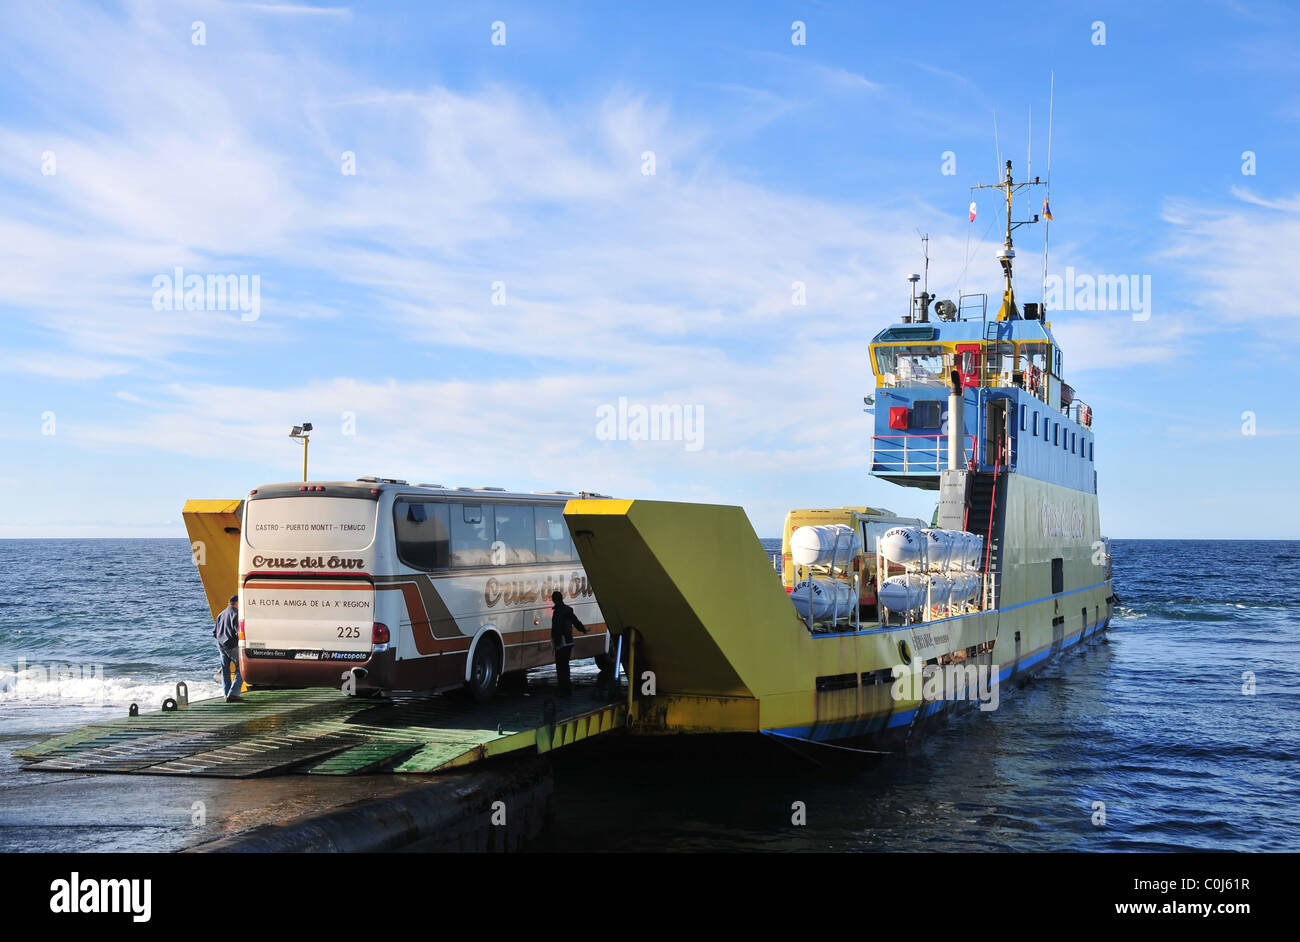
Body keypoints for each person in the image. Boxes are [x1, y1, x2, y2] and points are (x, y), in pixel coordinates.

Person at [550, 590, 587, 696]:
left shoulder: (557, 611)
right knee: (565, 665)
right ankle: (567, 688)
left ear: (554, 600)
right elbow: (576, 622)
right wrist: (583, 629)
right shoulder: (568, 610)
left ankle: (562, 688)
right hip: (569, 641)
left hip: (561, 642)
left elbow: (557, 628)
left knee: (560, 666)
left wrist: (556, 642)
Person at [212, 594, 243, 702]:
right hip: (232, 646)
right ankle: (233, 693)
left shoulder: (221, 614)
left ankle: (226, 694)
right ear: (237, 603)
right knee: (242, 669)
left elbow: (214, 632)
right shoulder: (236, 614)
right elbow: (239, 632)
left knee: (225, 670)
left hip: (220, 646)